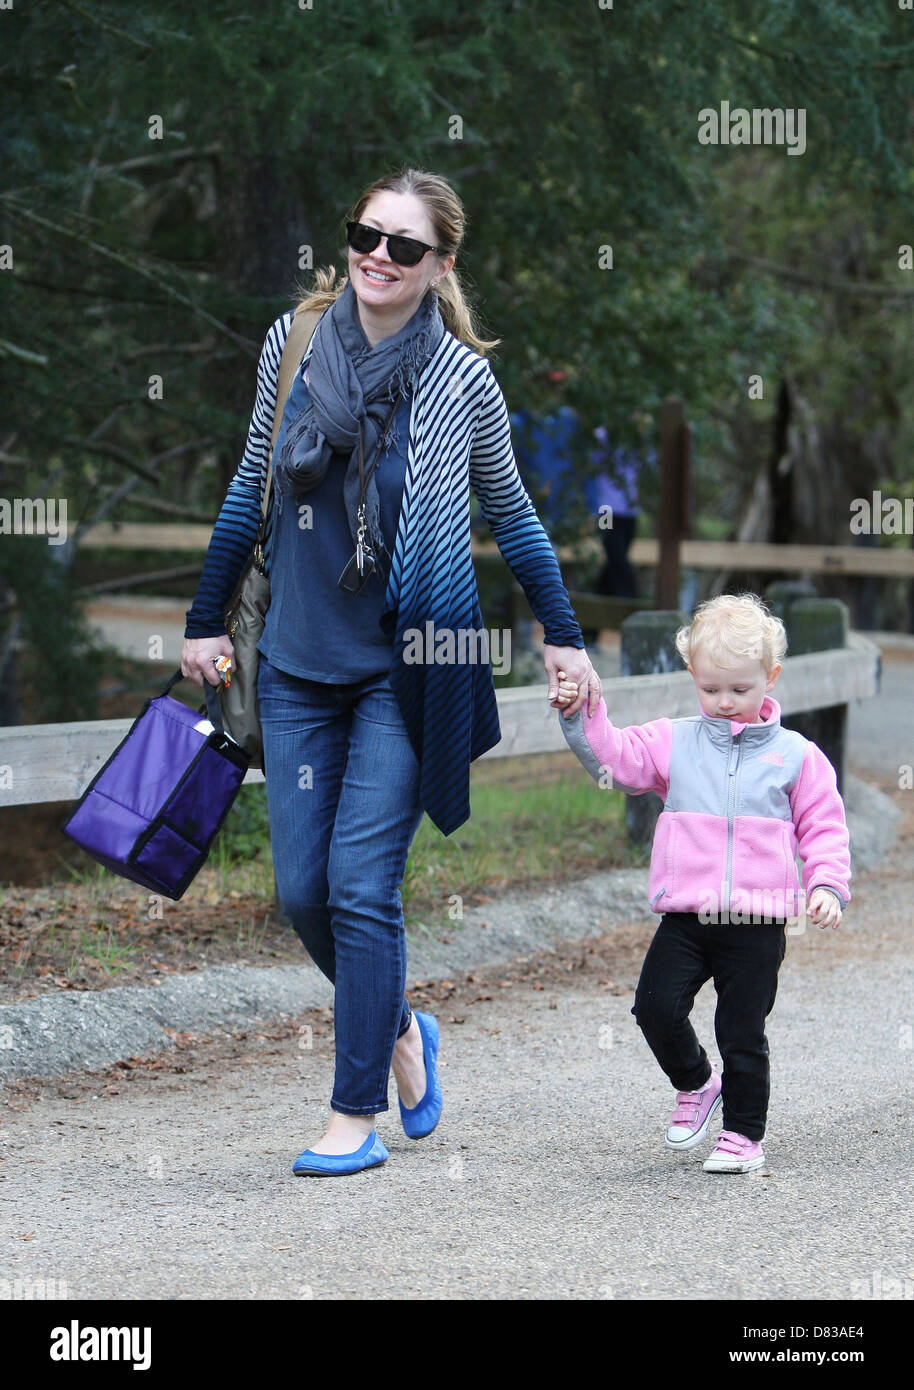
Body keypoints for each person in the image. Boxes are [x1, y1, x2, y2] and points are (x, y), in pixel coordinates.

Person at [181, 168, 601, 1177]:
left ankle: (352, 1112)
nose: (377, 255)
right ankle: (401, 1029)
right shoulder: (293, 346)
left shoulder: (461, 382)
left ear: (439, 266)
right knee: (302, 892)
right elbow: (250, 481)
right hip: (294, 664)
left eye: (403, 246)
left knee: (363, 886)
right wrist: (202, 618)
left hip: (411, 668)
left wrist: (563, 633)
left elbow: (512, 513)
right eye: (365, 233)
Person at [554, 592, 851, 1173]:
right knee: (654, 1007)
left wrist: (826, 886)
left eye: (740, 690)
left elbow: (824, 827)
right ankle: (695, 1081)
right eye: (710, 689)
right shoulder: (676, 741)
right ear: (693, 676)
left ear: (771, 678)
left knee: (741, 1029)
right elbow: (614, 758)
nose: (724, 703)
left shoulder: (798, 757)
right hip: (687, 916)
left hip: (757, 921)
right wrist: (580, 712)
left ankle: (743, 1135)